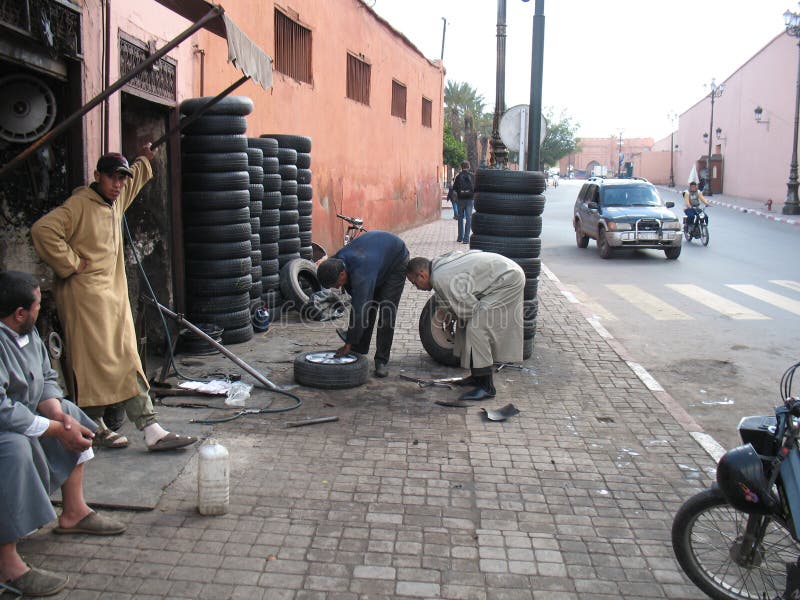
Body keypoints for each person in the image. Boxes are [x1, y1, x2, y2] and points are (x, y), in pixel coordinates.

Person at [30, 147, 196, 452]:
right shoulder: (79, 205)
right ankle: (147, 428)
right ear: (97, 177)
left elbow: (133, 184)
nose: (118, 184)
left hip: (112, 300)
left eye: (121, 178)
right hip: (85, 301)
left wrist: (145, 159)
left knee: (118, 358)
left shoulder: (114, 203)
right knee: (100, 363)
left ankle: (100, 427)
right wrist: (71, 262)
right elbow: (42, 230)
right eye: (111, 177)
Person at [0, 271, 127, 597]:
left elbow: (45, 379)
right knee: (14, 448)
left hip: (21, 418)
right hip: (5, 426)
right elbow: (3, 410)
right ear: (19, 313)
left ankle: (74, 511)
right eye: (38, 305)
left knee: (69, 413)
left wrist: (58, 418)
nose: (40, 309)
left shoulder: (27, 335)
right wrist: (53, 430)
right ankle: (7, 563)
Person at [406, 250, 525, 401]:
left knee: (476, 329)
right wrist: (453, 316)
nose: (416, 287)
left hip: (508, 280)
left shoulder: (440, 278)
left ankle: (487, 387)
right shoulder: (437, 265)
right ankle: (477, 377)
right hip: (502, 274)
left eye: (414, 283)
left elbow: (470, 310)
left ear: (422, 275)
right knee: (467, 325)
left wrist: (455, 316)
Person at [316, 231, 409, 378]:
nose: (338, 287)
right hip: (376, 257)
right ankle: (360, 347)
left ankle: (381, 360)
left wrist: (348, 342)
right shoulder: (335, 261)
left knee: (386, 311)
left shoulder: (361, 272)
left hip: (396, 261)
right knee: (368, 302)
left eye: (337, 284)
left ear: (342, 274)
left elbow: (360, 309)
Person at [452, 161, 474, 244]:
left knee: (460, 218)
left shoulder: (458, 176)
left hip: (461, 199)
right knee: (468, 218)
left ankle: (460, 237)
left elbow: (454, 188)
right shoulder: (472, 176)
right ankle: (466, 238)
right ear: (468, 167)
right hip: (470, 200)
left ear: (461, 167)